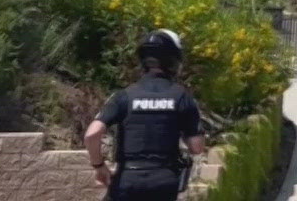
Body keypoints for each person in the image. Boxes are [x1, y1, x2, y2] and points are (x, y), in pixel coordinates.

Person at [83, 28, 208, 200]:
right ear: (174, 61)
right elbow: (197, 147)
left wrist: (99, 165)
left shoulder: (124, 96)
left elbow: (92, 134)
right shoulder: (182, 97)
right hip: (164, 181)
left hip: (128, 179)